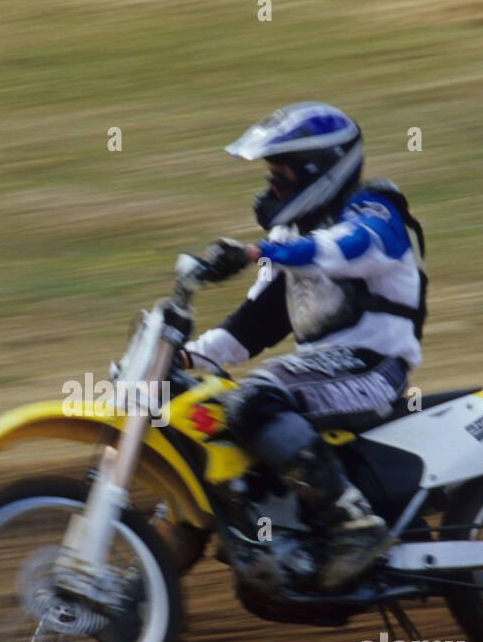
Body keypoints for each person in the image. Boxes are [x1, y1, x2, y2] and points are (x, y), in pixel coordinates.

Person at [180, 102, 428, 591]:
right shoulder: (290, 236)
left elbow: (344, 249)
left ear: (319, 170)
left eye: (280, 172)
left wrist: (259, 251)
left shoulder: (375, 213)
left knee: (254, 398)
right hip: (322, 369)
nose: (270, 186)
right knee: (198, 411)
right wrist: (186, 355)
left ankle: (355, 523)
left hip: (372, 368)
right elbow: (255, 324)